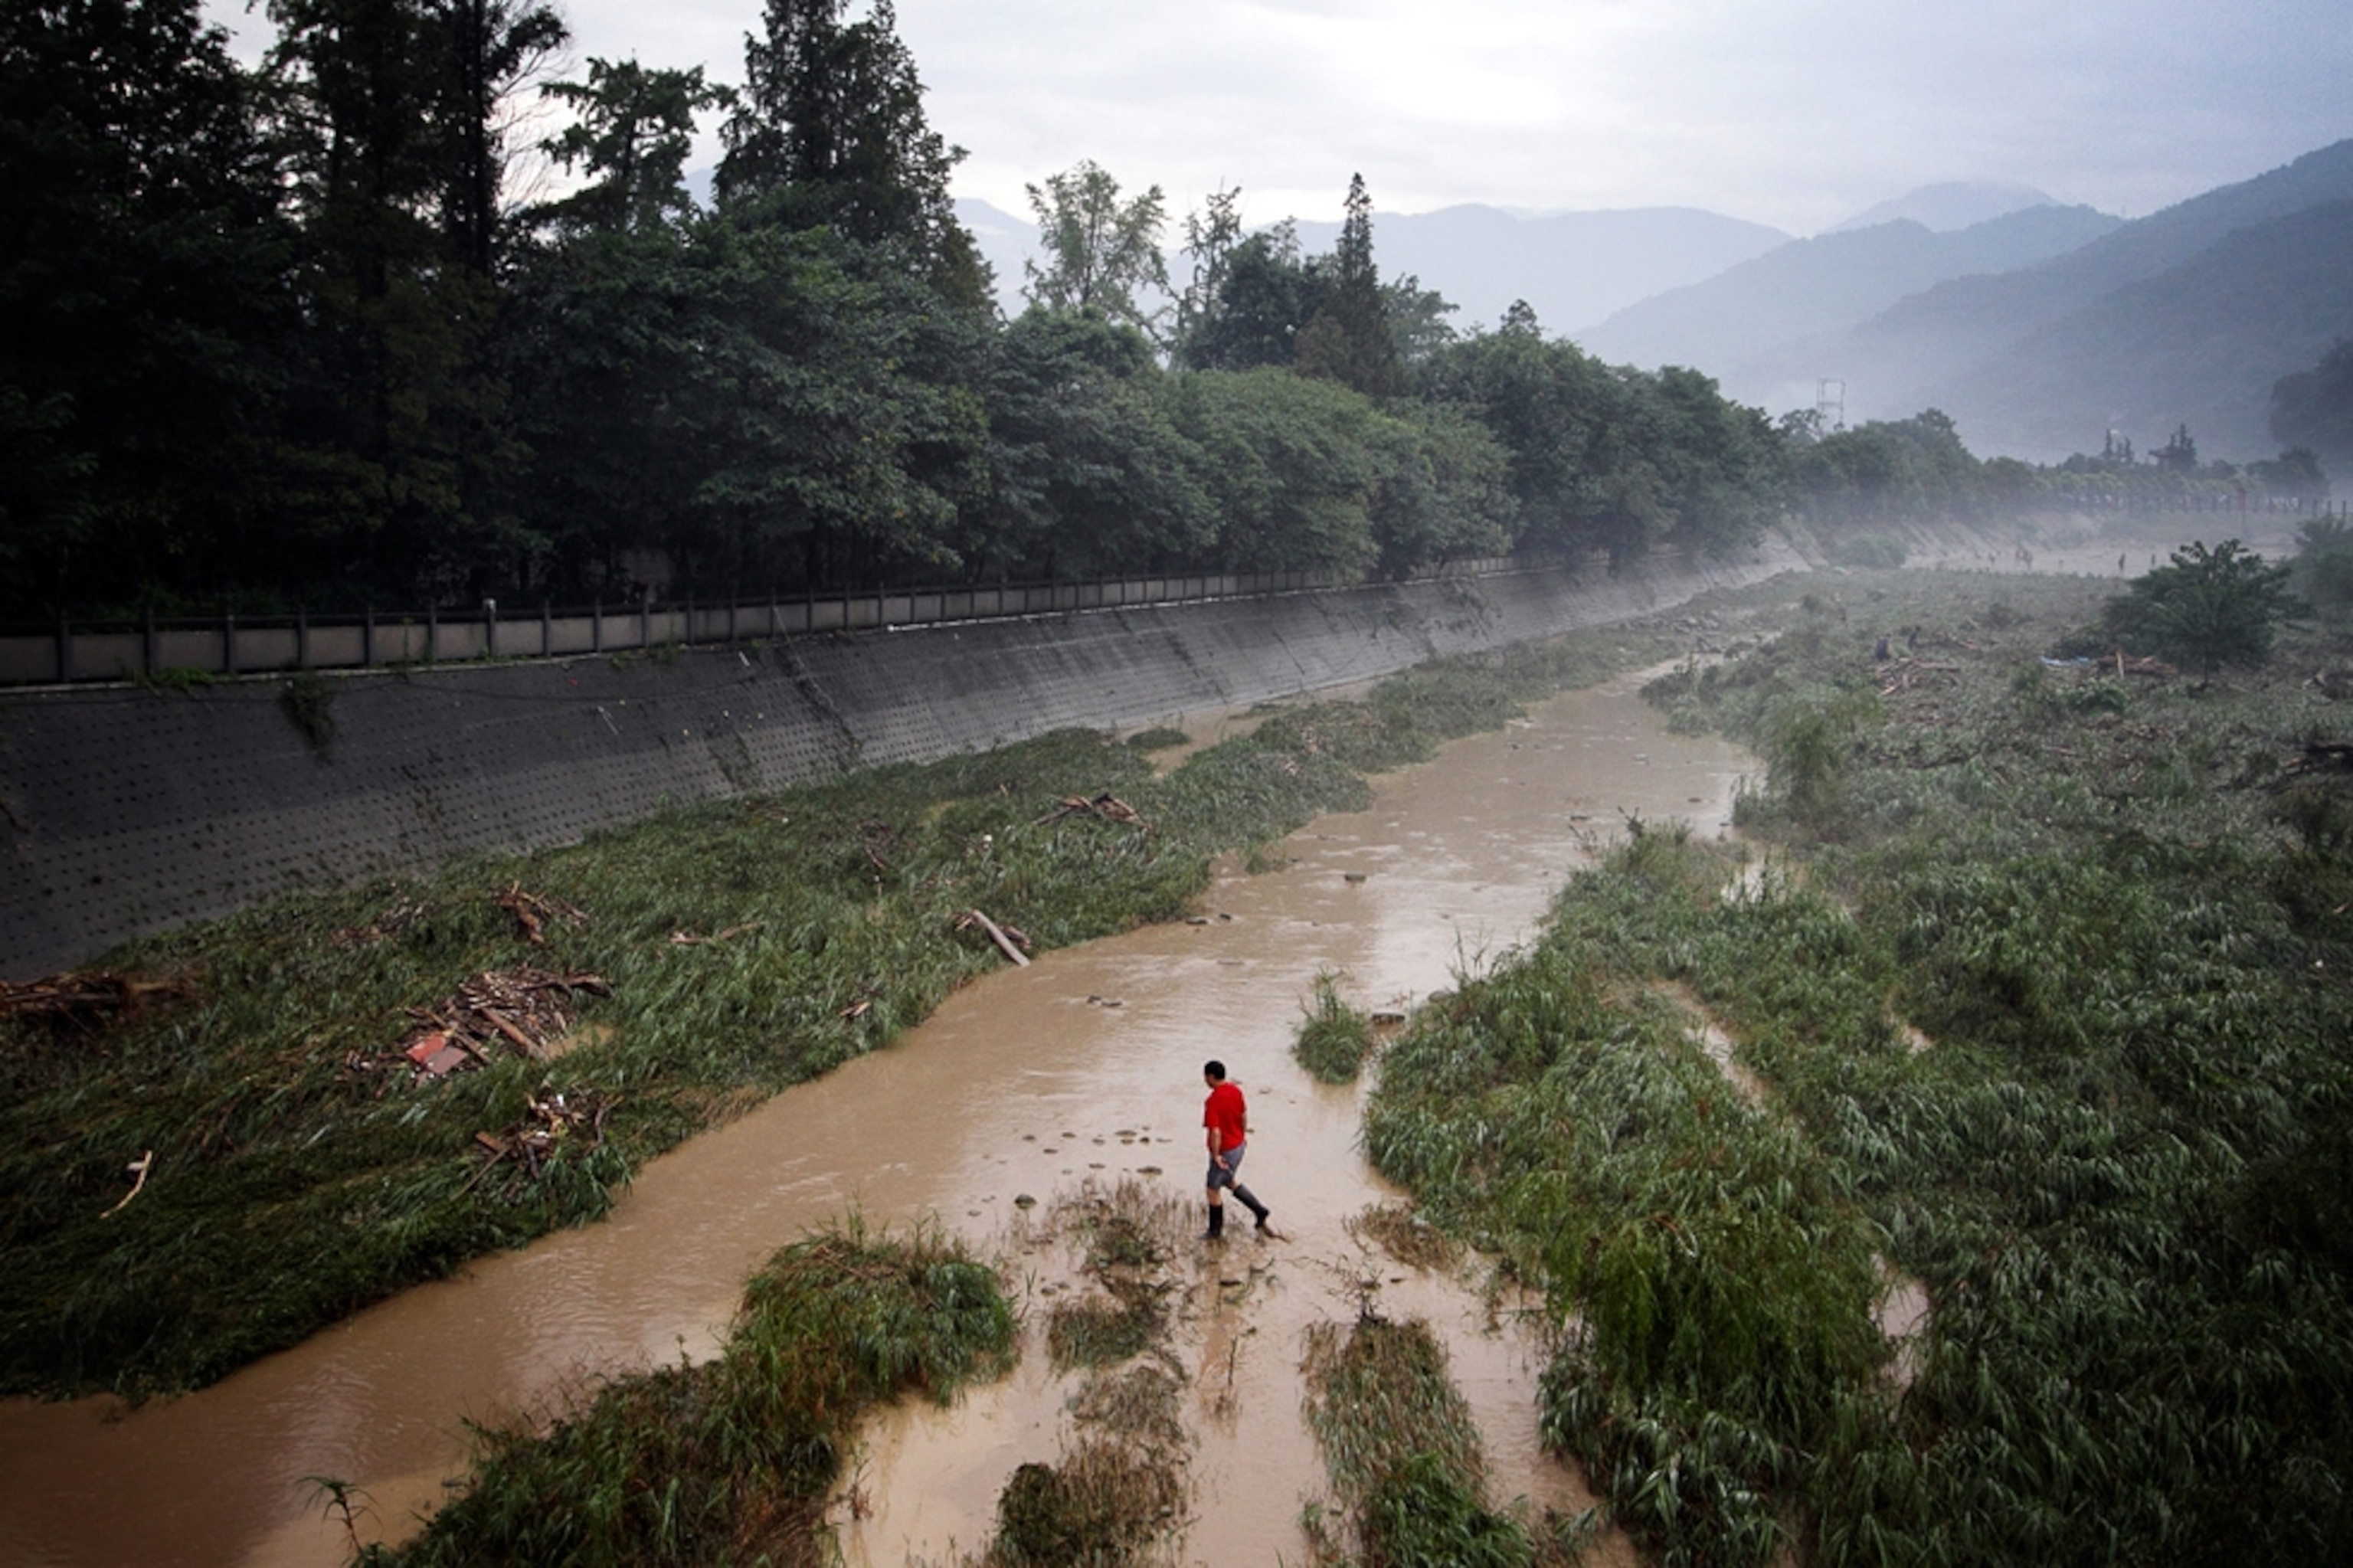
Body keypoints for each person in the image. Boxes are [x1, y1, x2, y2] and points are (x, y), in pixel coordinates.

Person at [1201, 1059, 1271, 1239]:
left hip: (1224, 1152)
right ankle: (1260, 1211)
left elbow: (1215, 1131)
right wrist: (1243, 1136)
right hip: (1238, 1146)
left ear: (1210, 1077)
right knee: (1230, 1180)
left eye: (1205, 1077)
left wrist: (1216, 1155)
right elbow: (1243, 1115)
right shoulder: (1236, 1091)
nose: (1205, 1081)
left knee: (1212, 1190)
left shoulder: (1213, 1100)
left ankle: (1215, 1232)